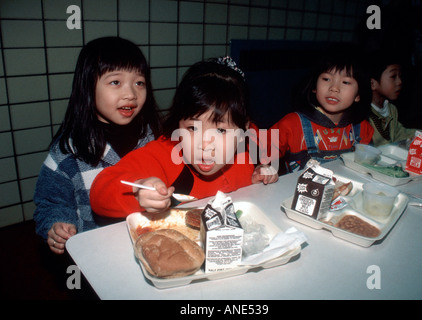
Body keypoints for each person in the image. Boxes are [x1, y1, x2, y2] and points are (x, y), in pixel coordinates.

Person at [90, 57, 278, 218]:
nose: (204, 145)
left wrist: (260, 175)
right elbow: (100, 193)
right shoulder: (165, 153)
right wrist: (139, 189)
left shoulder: (250, 145)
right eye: (192, 128)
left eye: (221, 131)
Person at [33, 37, 162, 254]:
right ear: (87, 86)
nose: (131, 93)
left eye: (139, 82)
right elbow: (50, 203)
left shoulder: (153, 138)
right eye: (115, 82)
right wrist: (57, 225)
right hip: (97, 253)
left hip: (152, 244)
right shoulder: (67, 152)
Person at [269, 44, 374, 173]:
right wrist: (263, 167)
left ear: (358, 95)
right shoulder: (292, 124)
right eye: (326, 79)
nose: (334, 88)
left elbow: (369, 167)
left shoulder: (362, 128)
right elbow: (259, 151)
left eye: (345, 82)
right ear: (314, 86)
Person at [367, 51, 416, 146]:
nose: (399, 82)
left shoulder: (391, 110)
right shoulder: (363, 115)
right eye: (393, 77)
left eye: (400, 76)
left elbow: (400, 133)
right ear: (372, 83)